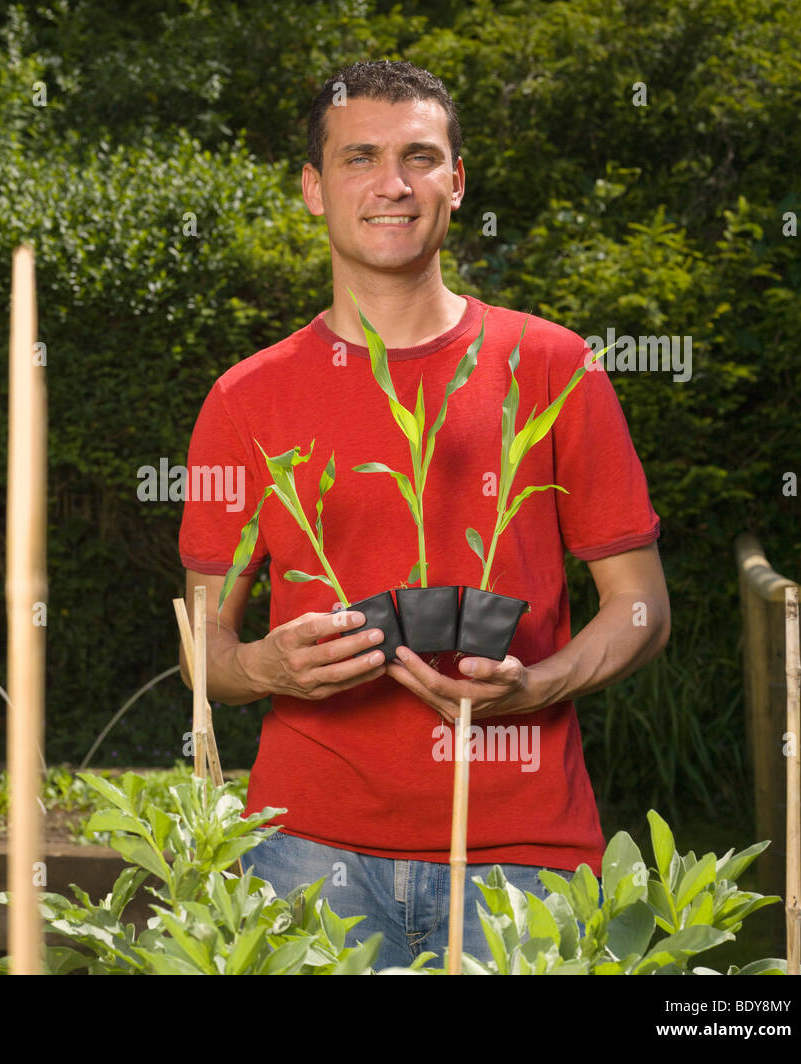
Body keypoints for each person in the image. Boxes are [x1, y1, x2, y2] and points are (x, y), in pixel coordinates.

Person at [176, 60, 669, 970]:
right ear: (314, 189)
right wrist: (262, 665)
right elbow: (201, 646)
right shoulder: (244, 400)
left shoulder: (555, 366)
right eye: (360, 157)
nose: (393, 184)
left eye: (419, 157)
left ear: (457, 181)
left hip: (525, 855)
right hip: (303, 853)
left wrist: (539, 683)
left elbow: (641, 605)